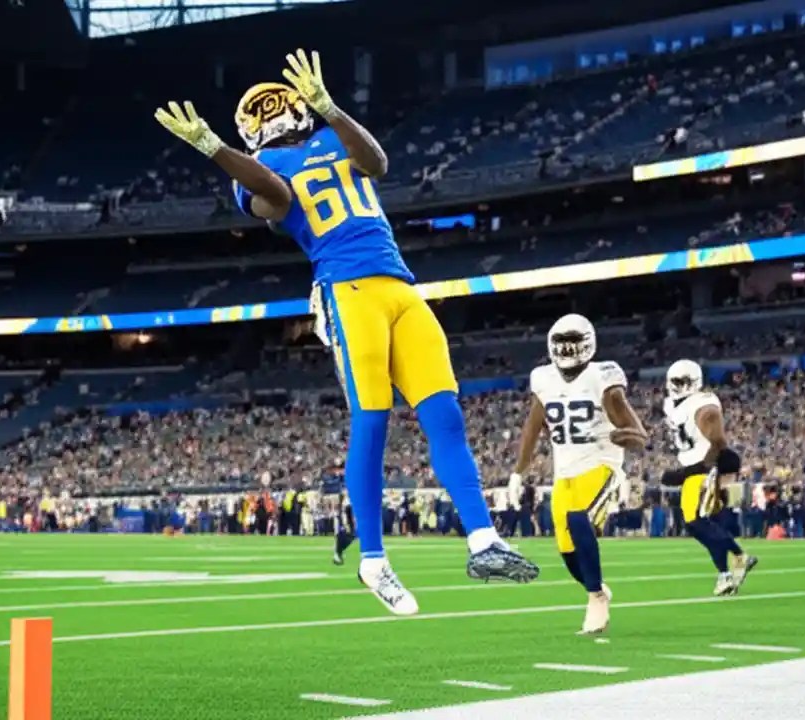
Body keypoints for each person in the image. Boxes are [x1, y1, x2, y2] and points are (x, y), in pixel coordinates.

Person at [154, 49, 538, 616]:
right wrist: (215, 149)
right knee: (373, 417)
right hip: (345, 287)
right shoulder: (255, 173)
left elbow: (377, 162)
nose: (278, 114)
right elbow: (278, 198)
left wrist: (332, 108)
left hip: (399, 285)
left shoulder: (334, 138)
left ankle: (483, 540)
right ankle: (374, 559)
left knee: (445, 413)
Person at [510, 314, 648, 635]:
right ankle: (595, 585)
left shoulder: (603, 376)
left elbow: (636, 431)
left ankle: (596, 596)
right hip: (565, 471)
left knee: (578, 518)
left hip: (602, 464)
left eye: (574, 343)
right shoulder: (543, 378)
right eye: (563, 344)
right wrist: (518, 473)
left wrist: (628, 437)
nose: (569, 351)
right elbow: (533, 426)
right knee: (566, 549)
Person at [661, 359, 759, 596]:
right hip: (692, 467)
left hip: (702, 469)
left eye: (684, 381)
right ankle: (725, 575)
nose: (680, 386)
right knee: (707, 523)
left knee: (694, 522)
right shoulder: (671, 404)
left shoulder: (704, 405)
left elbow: (718, 442)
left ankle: (739, 556)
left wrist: (693, 470)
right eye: (677, 381)